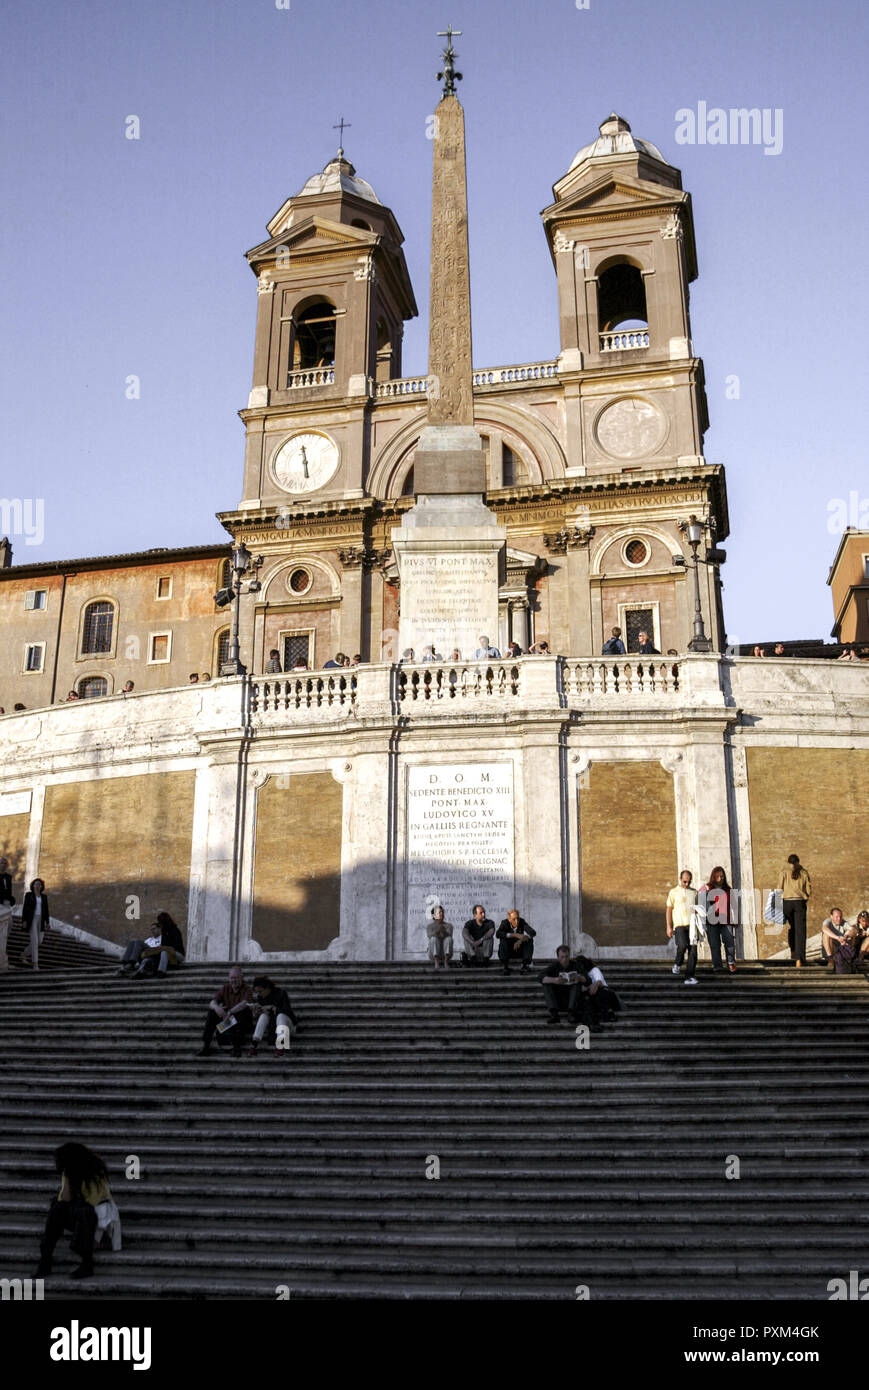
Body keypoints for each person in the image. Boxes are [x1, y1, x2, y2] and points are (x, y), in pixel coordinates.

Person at [36, 1143, 117, 1279]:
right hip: (80, 1215)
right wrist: (68, 1177)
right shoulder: (68, 1171)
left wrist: (77, 1199)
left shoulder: (95, 1171)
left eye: (60, 1161)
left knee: (84, 1211)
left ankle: (87, 1263)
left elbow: (95, 1201)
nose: (57, 1164)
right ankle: (46, 1258)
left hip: (99, 1214)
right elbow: (65, 1198)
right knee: (57, 1208)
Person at [198, 966, 254, 1056]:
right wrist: (217, 1008)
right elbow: (212, 1002)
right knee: (212, 1013)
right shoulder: (225, 988)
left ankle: (237, 1048)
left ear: (241, 978)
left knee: (242, 1012)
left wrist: (230, 1012)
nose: (234, 980)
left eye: (236, 978)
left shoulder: (247, 989)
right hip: (228, 1022)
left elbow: (244, 1003)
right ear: (229, 978)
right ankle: (206, 1045)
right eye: (232, 978)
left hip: (243, 1024)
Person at [538, 946, 592, 1027]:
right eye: (562, 957)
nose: (565, 959)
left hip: (572, 1000)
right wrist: (554, 980)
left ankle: (571, 1014)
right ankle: (554, 1014)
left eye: (567, 956)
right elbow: (539, 977)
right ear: (558, 957)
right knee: (546, 983)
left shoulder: (576, 965)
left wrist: (580, 978)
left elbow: (588, 980)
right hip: (557, 1000)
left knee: (577, 983)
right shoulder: (554, 966)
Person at [249, 976, 298, 1058]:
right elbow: (262, 1017)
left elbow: (288, 1011)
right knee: (264, 1015)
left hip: (288, 1027)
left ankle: (281, 1046)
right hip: (273, 1029)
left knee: (281, 1016)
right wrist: (256, 1013)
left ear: (267, 988)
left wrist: (273, 1008)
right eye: (257, 992)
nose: (259, 994)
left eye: (260, 991)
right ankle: (254, 1044)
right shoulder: (260, 997)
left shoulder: (281, 993)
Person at [698, 866, 736, 973]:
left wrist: (736, 919)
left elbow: (734, 905)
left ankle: (731, 962)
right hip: (711, 921)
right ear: (713, 877)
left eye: (722, 876)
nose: (720, 879)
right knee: (715, 944)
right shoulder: (707, 888)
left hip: (726, 920)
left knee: (730, 942)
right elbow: (699, 902)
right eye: (718, 876)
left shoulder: (728, 890)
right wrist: (702, 920)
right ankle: (717, 965)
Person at [777, 853, 811, 968]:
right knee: (800, 931)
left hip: (787, 903)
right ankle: (799, 959)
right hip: (799, 903)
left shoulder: (784, 872)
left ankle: (793, 951)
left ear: (788, 862)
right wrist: (804, 896)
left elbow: (779, 888)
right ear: (798, 861)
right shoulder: (804, 873)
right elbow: (809, 890)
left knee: (792, 928)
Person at [666, 869, 699, 985]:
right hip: (679, 925)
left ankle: (689, 976)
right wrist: (669, 927)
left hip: (692, 926)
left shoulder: (694, 892)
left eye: (689, 882)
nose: (687, 884)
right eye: (685, 881)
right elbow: (669, 909)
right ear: (680, 879)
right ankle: (678, 963)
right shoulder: (673, 892)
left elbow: (699, 909)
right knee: (682, 945)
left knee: (693, 951)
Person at [133, 911, 185, 976]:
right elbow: (163, 945)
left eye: (160, 922)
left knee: (164, 952)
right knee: (153, 956)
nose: (160, 924)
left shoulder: (175, 930)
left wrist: (165, 948)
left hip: (178, 954)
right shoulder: (164, 932)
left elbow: (177, 947)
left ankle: (161, 971)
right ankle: (141, 972)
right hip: (166, 953)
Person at [575, 954, 621, 1023]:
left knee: (598, 993)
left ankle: (610, 1012)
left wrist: (594, 986)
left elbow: (599, 982)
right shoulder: (580, 976)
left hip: (607, 995)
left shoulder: (594, 970)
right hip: (594, 1000)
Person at [21, 877, 50, 970]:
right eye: (36, 884)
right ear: (33, 886)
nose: (38, 886)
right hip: (31, 919)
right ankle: (35, 964)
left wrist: (47, 922)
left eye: (39, 884)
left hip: (41, 919)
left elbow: (46, 910)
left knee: (39, 941)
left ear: (42, 887)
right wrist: (24, 921)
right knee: (34, 941)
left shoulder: (44, 897)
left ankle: (24, 954)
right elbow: (25, 909)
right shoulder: (28, 895)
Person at [496, 909, 536, 974]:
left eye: (517, 918)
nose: (516, 921)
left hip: (520, 950)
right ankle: (505, 967)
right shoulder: (505, 923)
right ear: (509, 919)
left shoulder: (522, 922)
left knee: (529, 940)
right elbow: (498, 934)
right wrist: (515, 935)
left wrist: (520, 940)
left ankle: (524, 966)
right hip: (508, 951)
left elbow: (532, 932)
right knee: (503, 940)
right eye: (514, 919)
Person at [426, 905, 454, 970]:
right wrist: (437, 931)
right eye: (439, 912)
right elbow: (430, 936)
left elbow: (449, 935)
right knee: (433, 939)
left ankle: (446, 961)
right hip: (433, 952)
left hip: (446, 951)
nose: (441, 914)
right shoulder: (430, 926)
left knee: (449, 939)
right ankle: (436, 961)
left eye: (442, 912)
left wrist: (444, 931)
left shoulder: (449, 925)